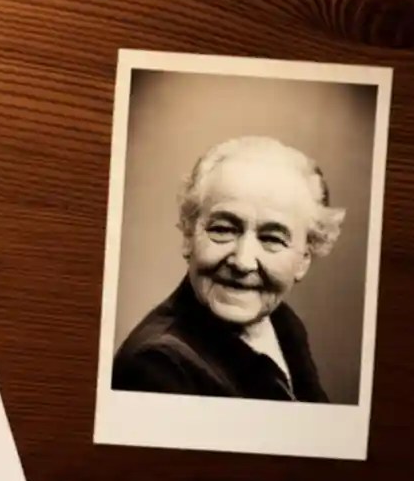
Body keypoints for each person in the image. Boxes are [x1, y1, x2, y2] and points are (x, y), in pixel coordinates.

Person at [112, 136, 345, 401]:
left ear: (304, 258)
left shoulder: (283, 323)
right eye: (223, 229)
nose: (243, 262)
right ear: (188, 237)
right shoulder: (157, 367)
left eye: (272, 239)